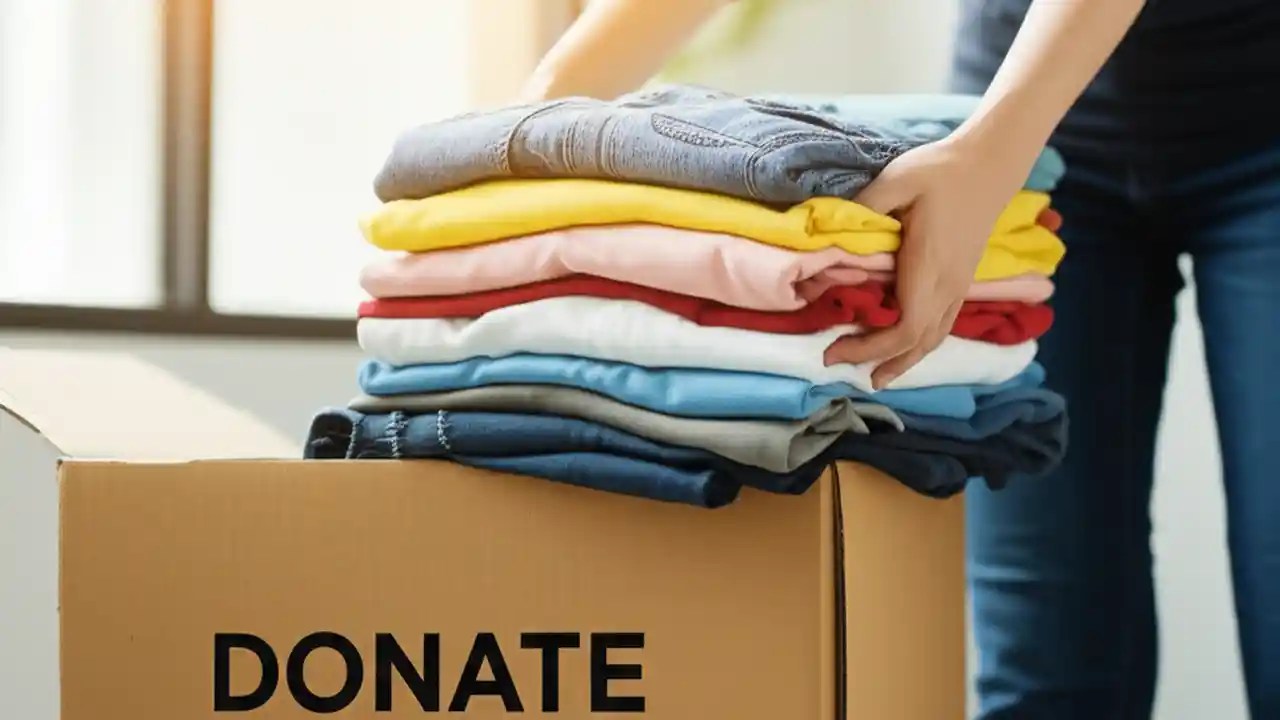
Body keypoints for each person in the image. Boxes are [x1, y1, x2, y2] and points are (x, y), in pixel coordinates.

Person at [517, 0, 1280, 717]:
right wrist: (538, 111)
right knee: (1045, 654)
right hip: (1024, 123)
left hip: (1230, 120)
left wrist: (987, 156)